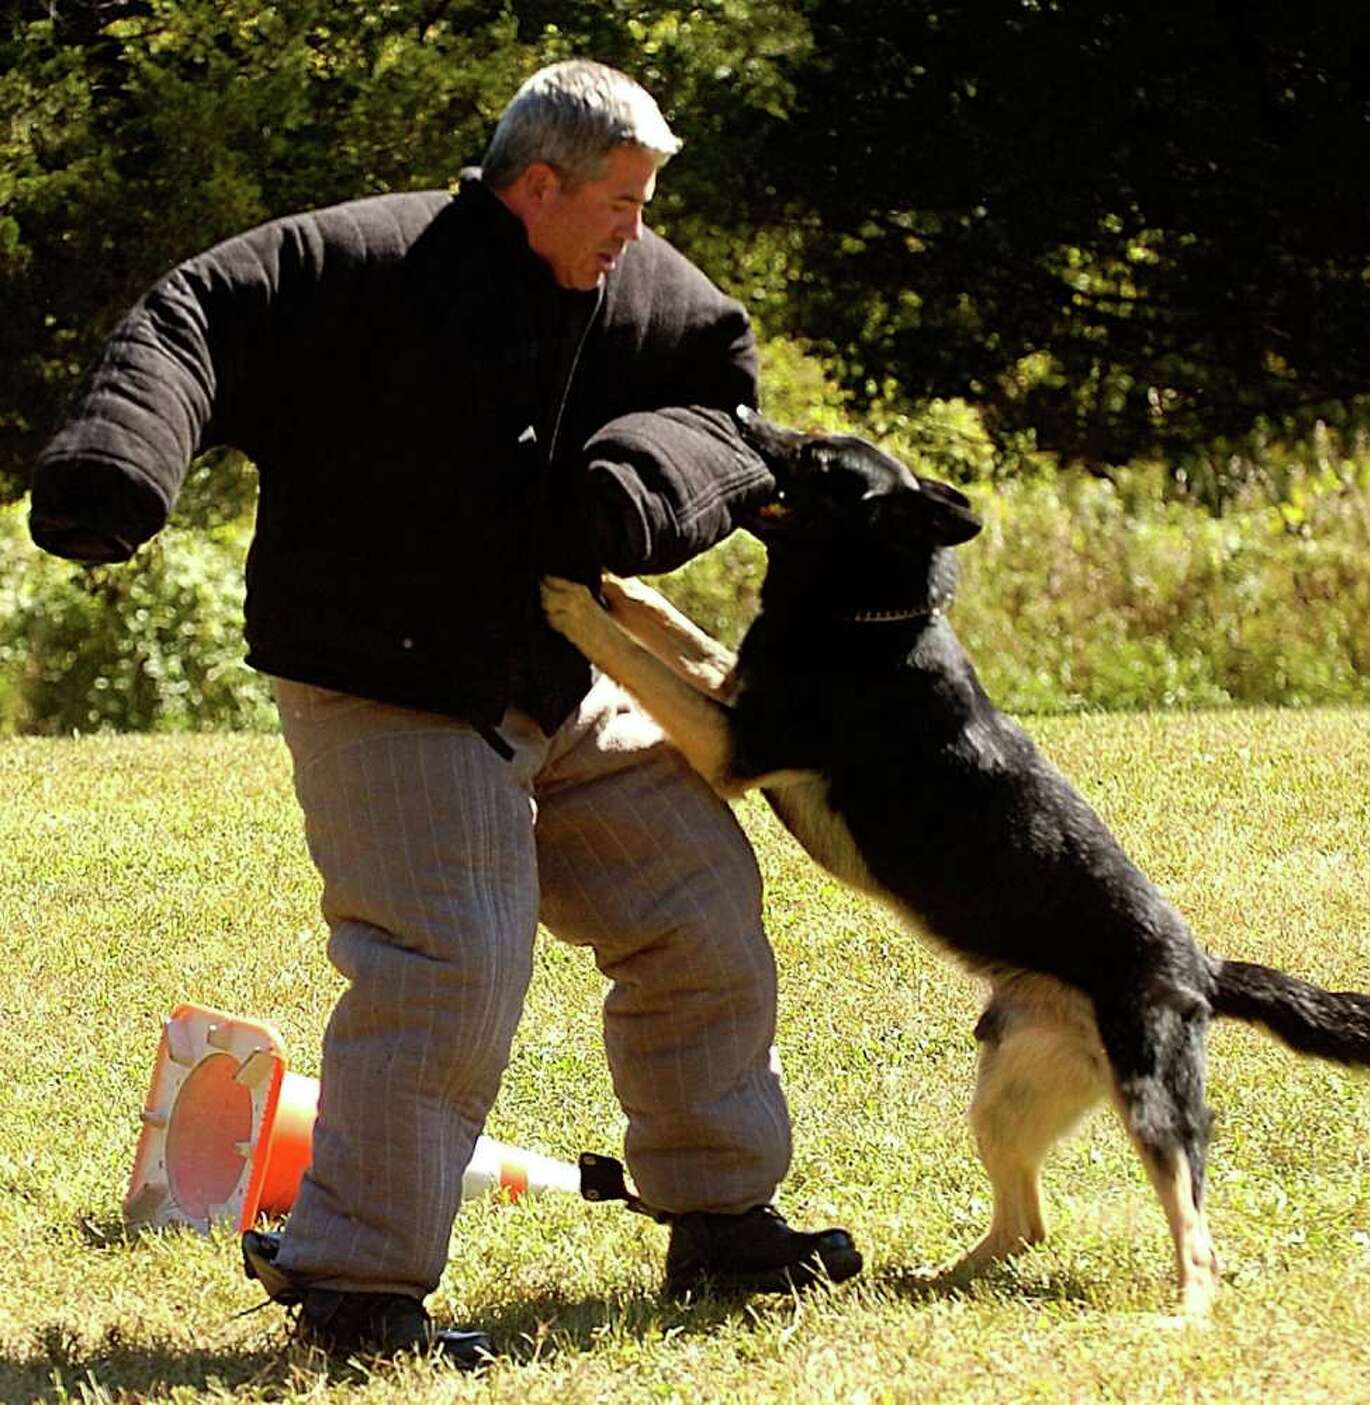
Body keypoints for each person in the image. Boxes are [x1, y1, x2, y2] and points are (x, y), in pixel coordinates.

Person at [28, 60, 860, 1368]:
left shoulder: (641, 287)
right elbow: (189, 313)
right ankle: (356, 1291)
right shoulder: (357, 261)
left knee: (697, 901)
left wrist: (639, 487)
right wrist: (116, 465)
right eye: (620, 201)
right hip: (386, 678)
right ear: (537, 184)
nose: (638, 227)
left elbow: (725, 403)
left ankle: (722, 1215)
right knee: (452, 965)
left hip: (554, 670)